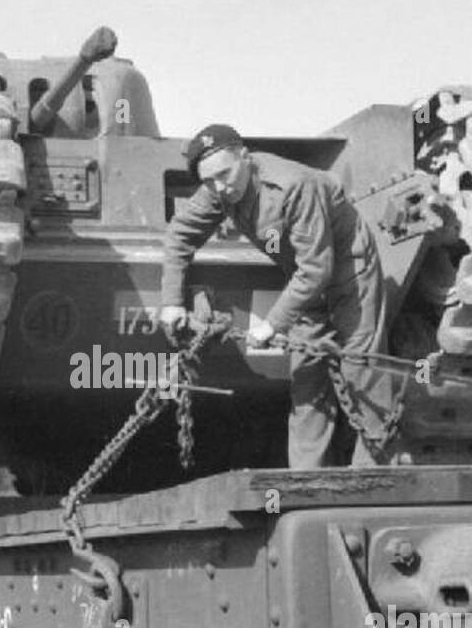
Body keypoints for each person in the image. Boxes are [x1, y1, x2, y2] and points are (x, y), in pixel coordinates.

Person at [159, 123, 386, 467]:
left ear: (246, 158)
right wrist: (172, 302)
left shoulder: (294, 186)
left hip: (348, 273)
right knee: (307, 383)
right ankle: (307, 484)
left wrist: (273, 325)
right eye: (209, 181)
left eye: (225, 174)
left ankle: (376, 477)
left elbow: (317, 270)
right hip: (304, 280)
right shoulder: (218, 187)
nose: (220, 187)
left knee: (360, 371)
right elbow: (179, 234)